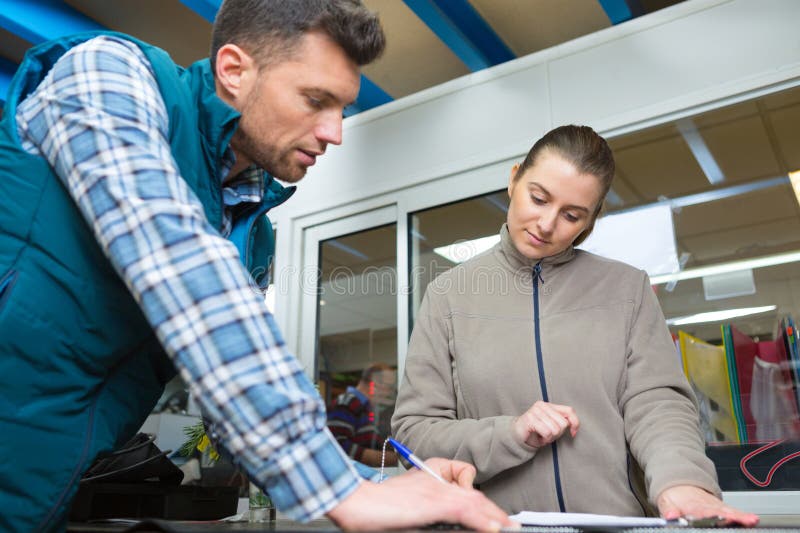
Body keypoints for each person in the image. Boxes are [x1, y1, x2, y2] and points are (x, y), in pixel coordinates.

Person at [0, 1, 514, 531]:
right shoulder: (108, 70)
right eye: (316, 100)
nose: (336, 132)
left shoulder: (253, 235)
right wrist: (339, 492)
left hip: (38, 498)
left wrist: (379, 484)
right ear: (234, 70)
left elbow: (232, 406)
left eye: (342, 107)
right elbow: (173, 254)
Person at [391, 125, 760, 526]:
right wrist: (510, 434)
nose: (547, 224)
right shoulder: (448, 295)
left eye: (571, 215)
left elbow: (657, 403)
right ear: (514, 178)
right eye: (538, 198)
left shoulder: (627, 289)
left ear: (591, 221)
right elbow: (415, 434)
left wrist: (682, 480)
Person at [327, 363, 399, 467]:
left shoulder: (365, 408)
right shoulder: (346, 403)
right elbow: (337, 446)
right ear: (373, 384)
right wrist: (390, 459)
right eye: (389, 387)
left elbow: (370, 442)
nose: (389, 393)